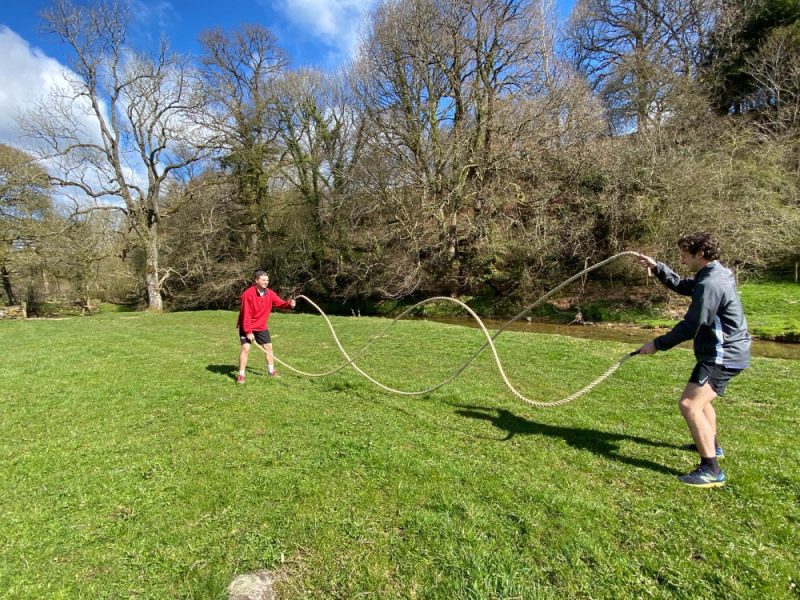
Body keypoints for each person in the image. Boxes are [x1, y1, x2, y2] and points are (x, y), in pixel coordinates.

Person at [635, 232, 750, 488]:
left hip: (723, 354)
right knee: (702, 400)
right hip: (725, 352)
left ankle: (711, 469)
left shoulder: (711, 284)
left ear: (700, 253)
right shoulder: (712, 275)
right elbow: (682, 286)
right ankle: (713, 446)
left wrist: (657, 344)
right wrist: (657, 268)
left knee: (689, 404)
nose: (682, 259)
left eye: (685, 254)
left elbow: (692, 325)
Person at [236, 270, 296, 384]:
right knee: (246, 348)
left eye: (267, 280)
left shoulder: (270, 293)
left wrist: (289, 304)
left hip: (261, 326)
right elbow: (246, 314)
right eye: (263, 280)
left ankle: (271, 371)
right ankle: (241, 375)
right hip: (246, 325)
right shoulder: (248, 294)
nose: (266, 282)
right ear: (256, 280)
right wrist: (248, 332)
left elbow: (279, 303)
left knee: (268, 347)